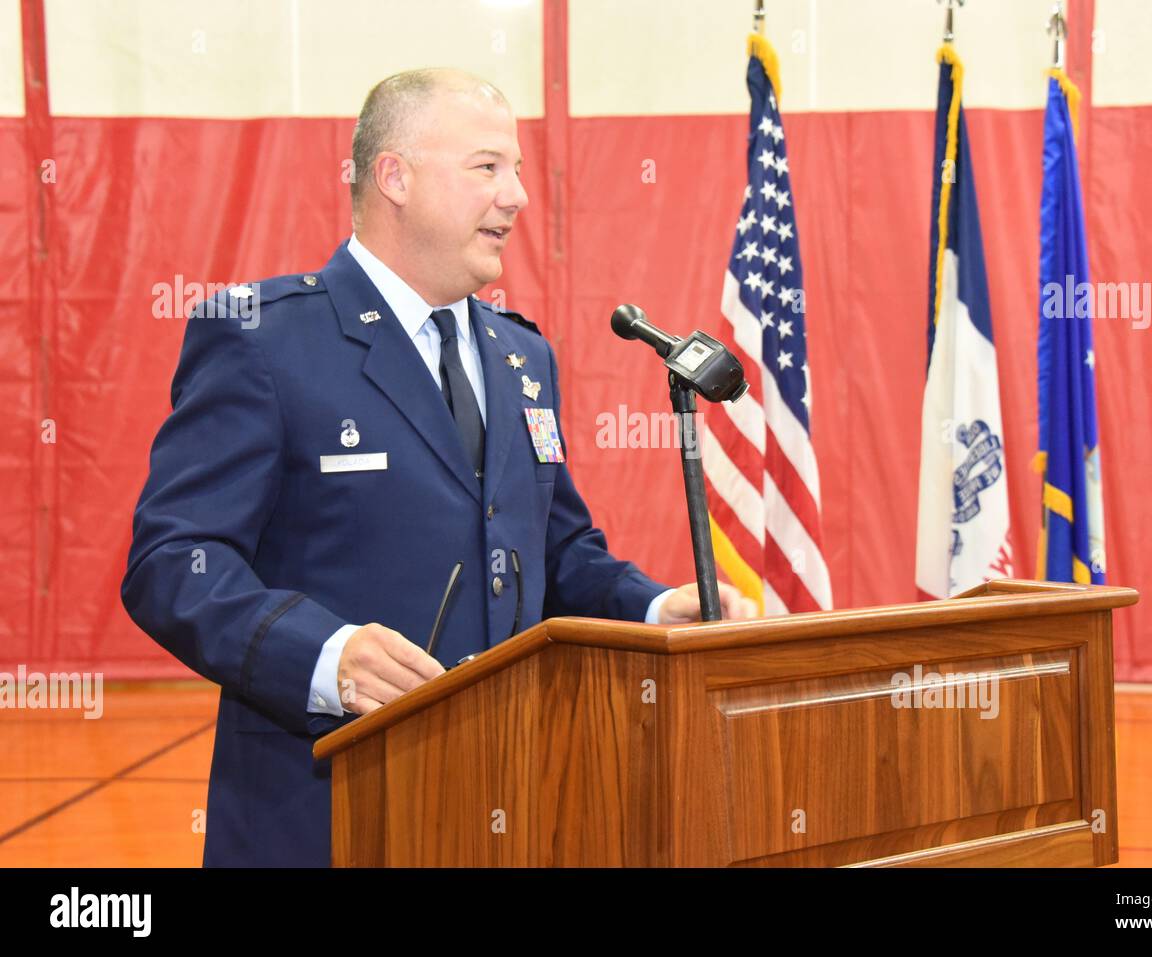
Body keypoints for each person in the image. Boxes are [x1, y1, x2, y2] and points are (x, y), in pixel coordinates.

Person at [121, 67, 755, 867]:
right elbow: (173, 564)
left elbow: (551, 553)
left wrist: (656, 606)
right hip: (327, 812)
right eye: (488, 167)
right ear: (395, 177)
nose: (518, 195)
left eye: (518, 169)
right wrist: (325, 656)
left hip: (506, 807)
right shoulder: (262, 340)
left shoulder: (523, 355)